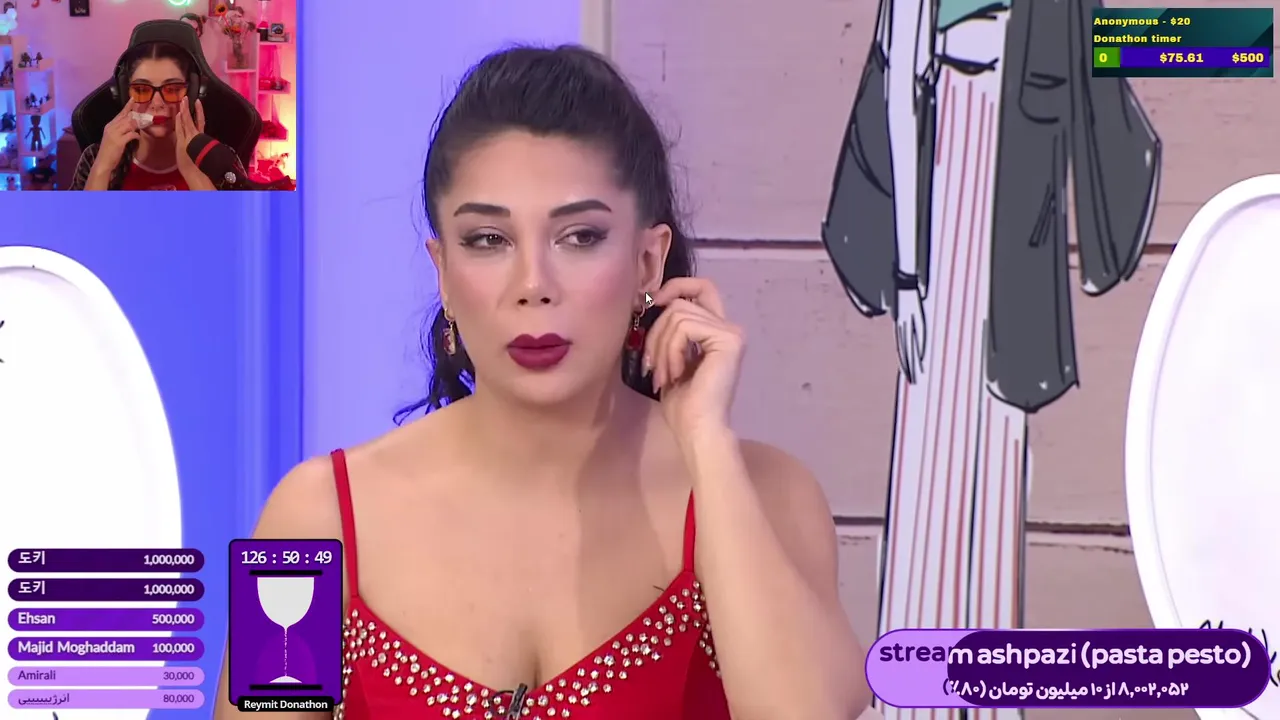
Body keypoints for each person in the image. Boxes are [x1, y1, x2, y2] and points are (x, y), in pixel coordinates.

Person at [214, 45, 868, 720]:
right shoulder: (314, 518)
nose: (533, 285)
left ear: (649, 262)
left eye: (579, 237)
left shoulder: (766, 494)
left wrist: (706, 444)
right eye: (488, 240)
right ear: (442, 271)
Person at [69, 41, 247, 190]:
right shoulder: (96, 156)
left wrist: (195, 175)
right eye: (141, 89)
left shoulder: (219, 158)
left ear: (193, 94)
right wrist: (102, 169)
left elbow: (239, 223)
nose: (157, 103)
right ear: (124, 95)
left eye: (172, 89)